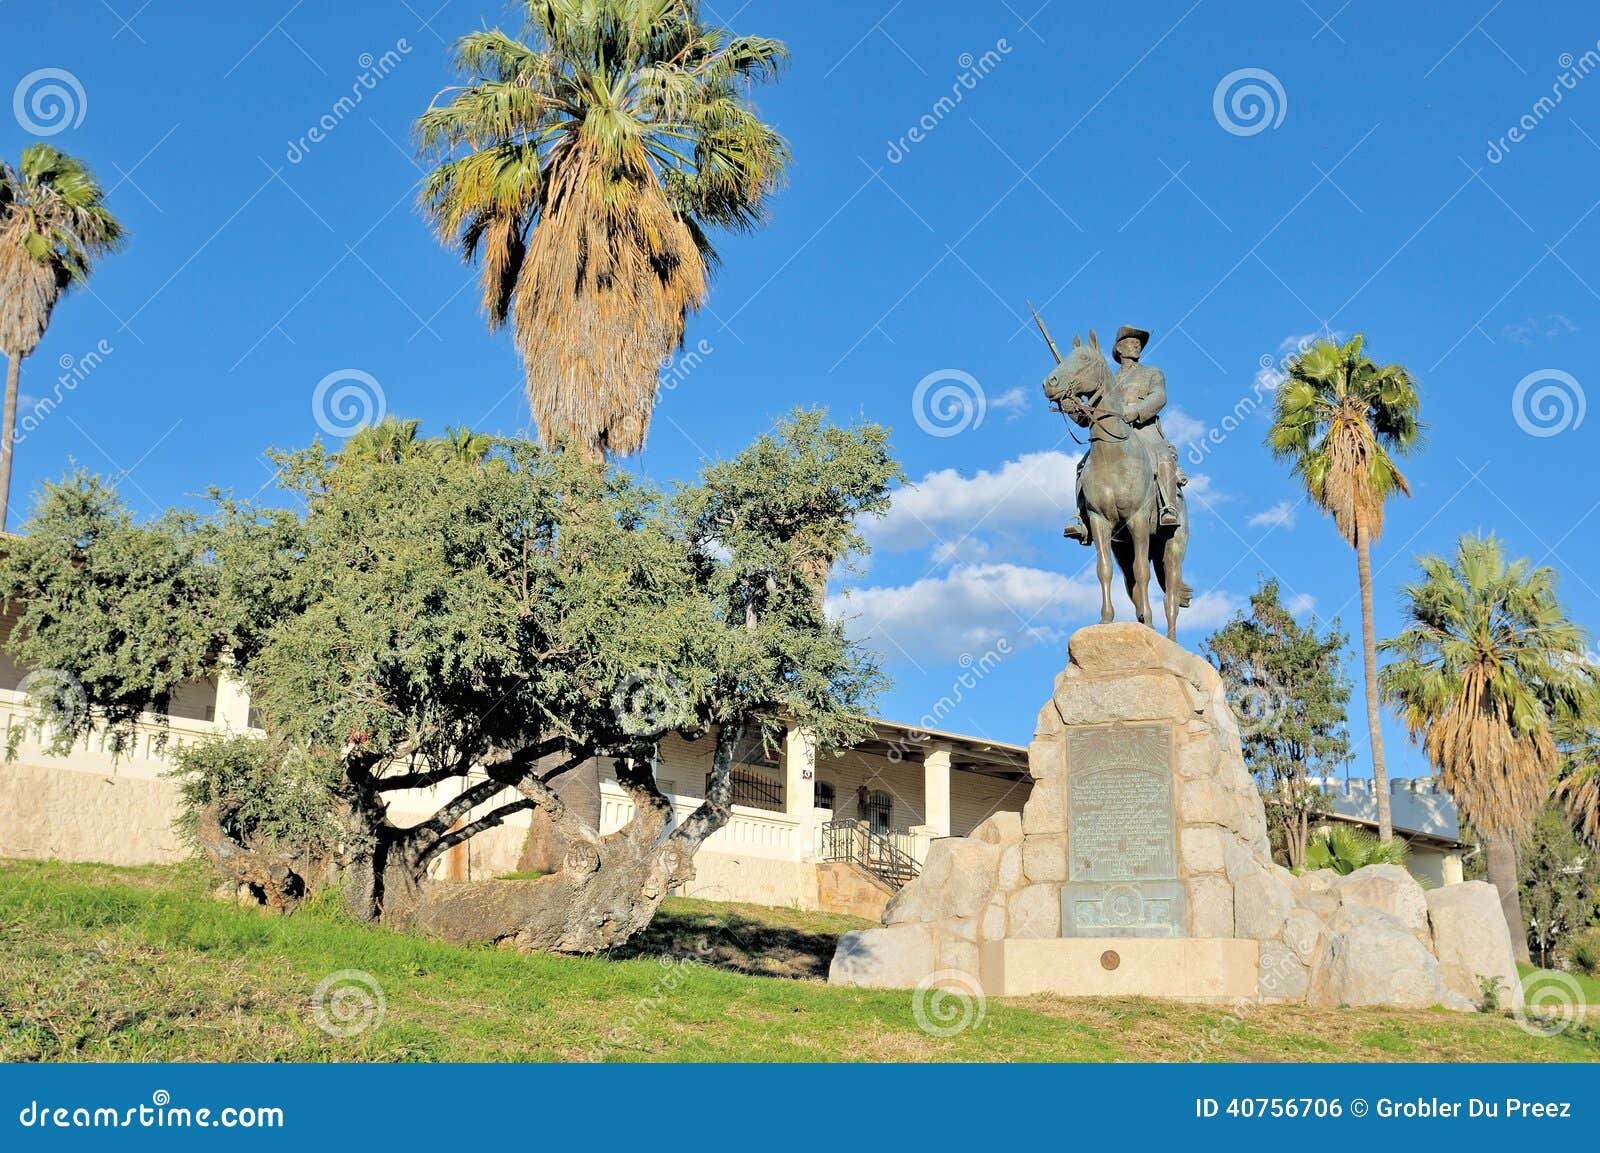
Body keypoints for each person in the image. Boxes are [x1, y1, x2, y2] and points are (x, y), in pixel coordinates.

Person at [1063, 325, 1186, 545]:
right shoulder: (1106, 379)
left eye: (1139, 343)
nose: (1137, 346)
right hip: (1113, 432)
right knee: (1083, 465)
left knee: (1163, 457)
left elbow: (1159, 397)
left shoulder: (1152, 373)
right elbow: (1086, 419)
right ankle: (1081, 518)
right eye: (1131, 342)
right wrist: (1069, 403)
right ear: (1119, 348)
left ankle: (1168, 508)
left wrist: (1134, 412)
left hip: (1144, 428)